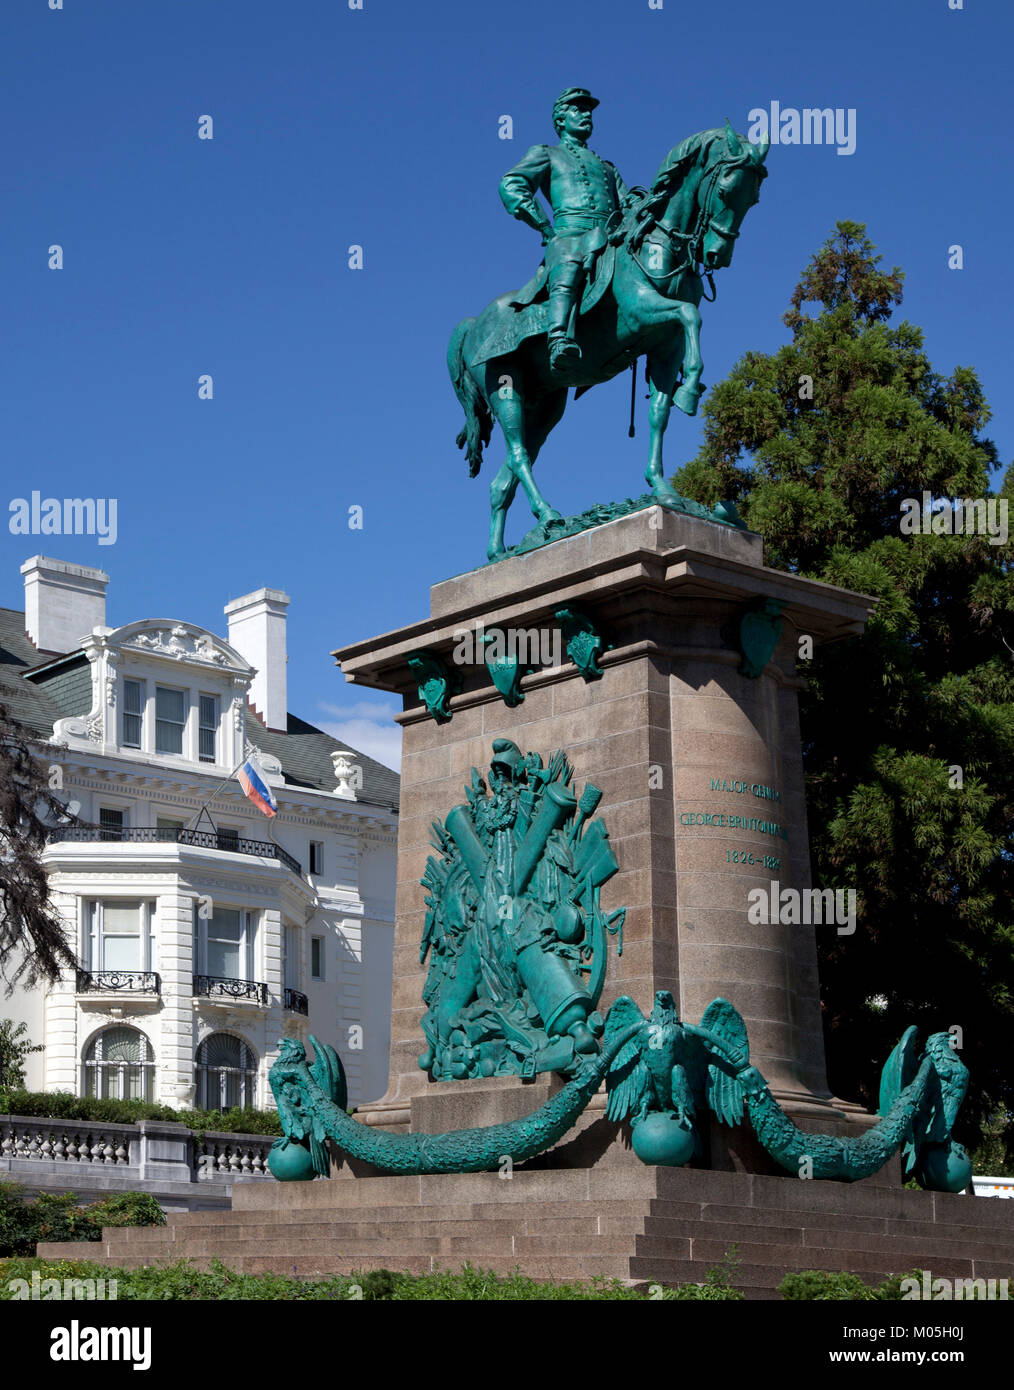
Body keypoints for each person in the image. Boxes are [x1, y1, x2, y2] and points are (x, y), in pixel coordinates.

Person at [499, 88, 634, 374]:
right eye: (578, 109)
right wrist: (544, 227)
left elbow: (628, 203)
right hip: (570, 235)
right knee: (569, 263)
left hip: (609, 237)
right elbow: (512, 184)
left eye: (589, 111)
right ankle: (558, 338)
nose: (586, 115)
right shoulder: (546, 154)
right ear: (560, 119)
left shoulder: (608, 168)